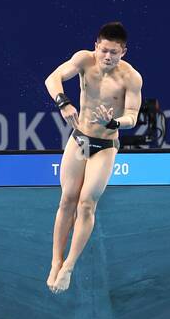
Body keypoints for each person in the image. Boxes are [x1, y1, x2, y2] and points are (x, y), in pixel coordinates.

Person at [43, 22, 142, 293]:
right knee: (67, 200)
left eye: (114, 52)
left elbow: (133, 116)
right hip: (80, 140)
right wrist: (63, 102)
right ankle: (55, 261)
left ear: (124, 51)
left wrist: (115, 123)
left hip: (105, 145)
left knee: (86, 205)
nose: (107, 57)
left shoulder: (131, 78)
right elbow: (52, 79)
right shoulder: (84, 60)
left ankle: (69, 267)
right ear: (96, 45)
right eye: (103, 50)